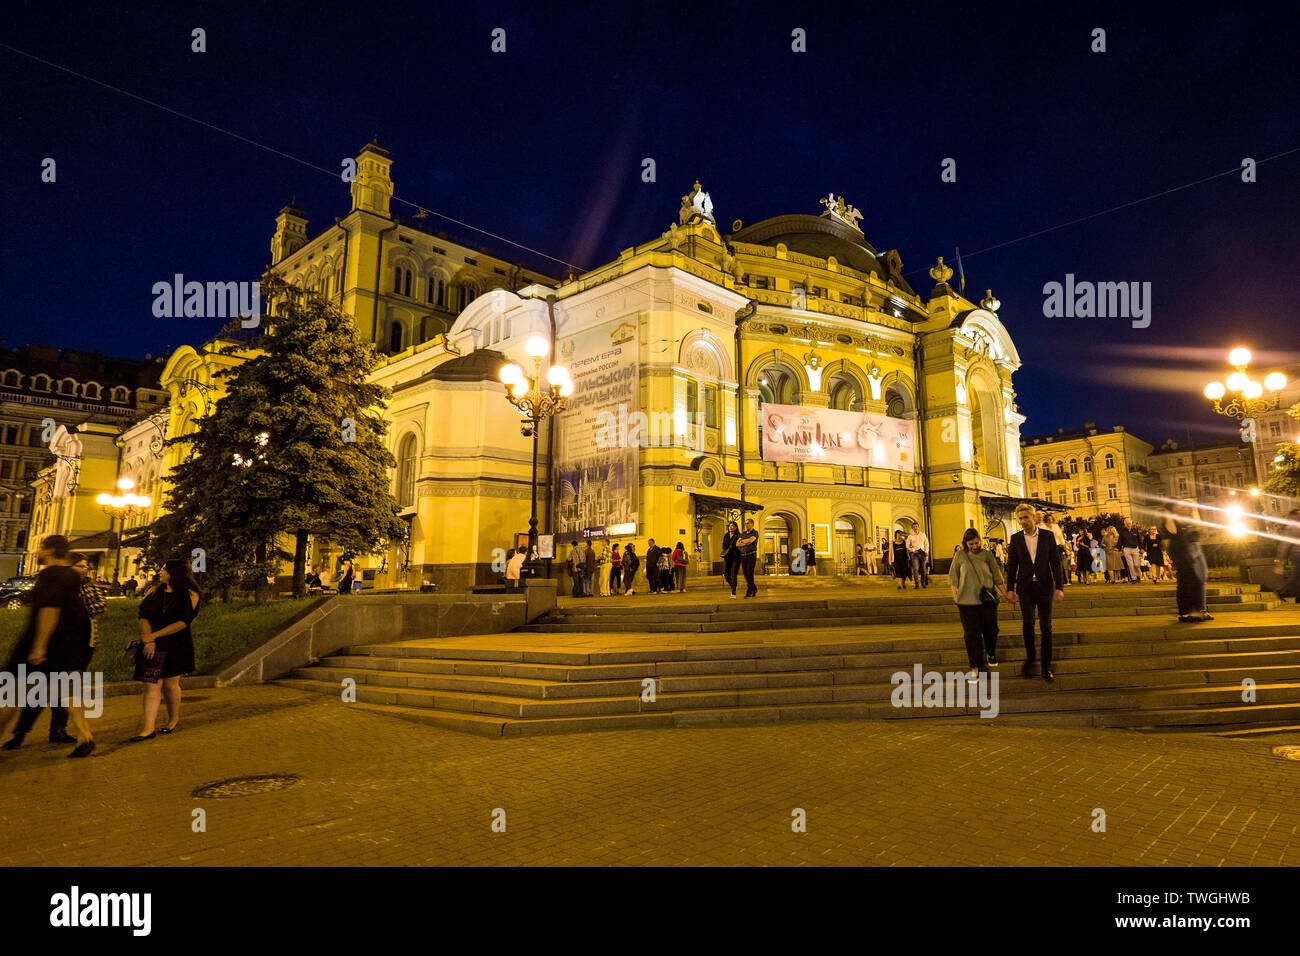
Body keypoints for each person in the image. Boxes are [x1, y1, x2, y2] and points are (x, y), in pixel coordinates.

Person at [1, 535, 91, 754]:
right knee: (68, 688)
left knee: (10, 692)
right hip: (68, 642)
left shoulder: (50, 575)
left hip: (43, 641)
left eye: (41, 547)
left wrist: (39, 645)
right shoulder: (72, 575)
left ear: (49, 551)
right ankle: (85, 735)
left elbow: (50, 609)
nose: (38, 551)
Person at [131, 558, 202, 740]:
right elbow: (143, 615)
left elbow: (183, 622)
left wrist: (154, 636)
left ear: (174, 573)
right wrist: (149, 640)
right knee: (151, 685)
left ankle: (173, 719)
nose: (160, 572)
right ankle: (147, 729)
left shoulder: (191, 594)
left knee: (170, 685)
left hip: (176, 644)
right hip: (152, 646)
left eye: (164, 569)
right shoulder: (154, 591)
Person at [1005, 503, 1065, 683]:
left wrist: (1059, 587)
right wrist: (1010, 589)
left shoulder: (1047, 536)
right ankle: (1031, 660)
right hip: (1025, 588)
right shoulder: (1015, 539)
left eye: (1025, 517)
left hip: (1045, 586)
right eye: (1020, 518)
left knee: (1046, 627)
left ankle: (1046, 666)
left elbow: (1055, 562)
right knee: (1028, 624)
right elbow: (1012, 565)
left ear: (1033, 518)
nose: (1023, 521)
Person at [949, 528, 1006, 680]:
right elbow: (953, 577)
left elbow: (997, 576)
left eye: (976, 543)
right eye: (971, 544)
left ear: (980, 540)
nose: (974, 546)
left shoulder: (987, 555)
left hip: (987, 600)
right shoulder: (960, 555)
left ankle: (990, 651)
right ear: (965, 543)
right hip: (966, 602)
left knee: (991, 629)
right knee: (972, 634)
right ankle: (976, 664)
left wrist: (1005, 593)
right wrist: (955, 595)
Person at [1165, 503, 1210, 622]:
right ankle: (1187, 612)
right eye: (1180, 506)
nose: (1184, 508)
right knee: (1186, 582)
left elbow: (1197, 532)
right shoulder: (1172, 519)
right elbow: (1174, 535)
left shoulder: (1181, 519)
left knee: (1196, 579)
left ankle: (1196, 610)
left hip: (1186, 551)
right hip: (1182, 552)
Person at [1273, 509, 1300, 602]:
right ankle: (1281, 590)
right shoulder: (1290, 528)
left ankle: (1293, 594)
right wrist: (1280, 558)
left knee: (1296, 575)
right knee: (1296, 574)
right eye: (1298, 514)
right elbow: (1284, 544)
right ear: (1293, 516)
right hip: (1296, 553)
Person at [737, 519, 759, 598]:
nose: (746, 525)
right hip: (743, 555)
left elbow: (751, 540)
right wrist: (745, 542)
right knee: (746, 574)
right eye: (745, 523)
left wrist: (742, 542)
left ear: (752, 524)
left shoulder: (755, 533)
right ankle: (754, 588)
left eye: (748, 523)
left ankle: (749, 591)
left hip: (751, 555)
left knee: (750, 573)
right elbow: (737, 544)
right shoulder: (743, 534)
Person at [1119, 517, 1143, 584]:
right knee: (1130, 565)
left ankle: (1138, 575)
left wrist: (1142, 548)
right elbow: (1119, 541)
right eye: (1127, 523)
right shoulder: (1122, 532)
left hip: (1135, 549)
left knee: (1136, 564)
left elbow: (1139, 540)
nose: (1128, 524)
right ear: (1125, 524)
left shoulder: (1135, 530)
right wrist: (1120, 550)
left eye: (1129, 523)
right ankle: (1133, 578)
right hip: (1126, 549)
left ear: (1131, 523)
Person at [905, 522, 929, 588]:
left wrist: (926, 551)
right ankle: (917, 584)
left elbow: (926, 543)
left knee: (924, 569)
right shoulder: (910, 536)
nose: (915, 528)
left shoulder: (923, 535)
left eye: (916, 526)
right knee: (915, 569)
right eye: (914, 527)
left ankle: (923, 583)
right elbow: (907, 545)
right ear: (912, 528)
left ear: (918, 527)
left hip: (922, 553)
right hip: (914, 554)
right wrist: (912, 550)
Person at [721, 521, 741, 597]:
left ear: (735, 527)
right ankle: (734, 586)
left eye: (732, 526)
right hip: (727, 557)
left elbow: (740, 546)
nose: (731, 527)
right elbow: (723, 545)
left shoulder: (738, 536)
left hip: (736, 557)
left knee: (733, 575)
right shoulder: (726, 535)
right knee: (726, 575)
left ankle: (733, 592)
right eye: (730, 526)